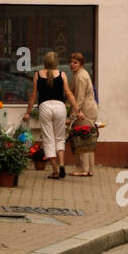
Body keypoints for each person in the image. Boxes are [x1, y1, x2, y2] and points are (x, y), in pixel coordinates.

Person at [24, 51, 85, 179]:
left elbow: (34, 95)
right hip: (60, 107)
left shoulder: (37, 75)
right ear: (56, 62)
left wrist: (28, 113)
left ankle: (55, 170)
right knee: (60, 138)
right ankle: (62, 164)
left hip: (45, 107)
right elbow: (68, 93)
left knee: (48, 139)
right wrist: (78, 111)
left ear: (44, 62)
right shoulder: (62, 74)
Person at [66, 52, 99, 176]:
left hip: (84, 111)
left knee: (82, 139)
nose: (72, 64)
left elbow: (78, 99)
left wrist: (72, 116)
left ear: (81, 64)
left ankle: (83, 169)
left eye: (75, 62)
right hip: (88, 110)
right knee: (88, 140)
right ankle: (89, 169)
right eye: (71, 61)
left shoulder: (80, 76)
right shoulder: (80, 74)